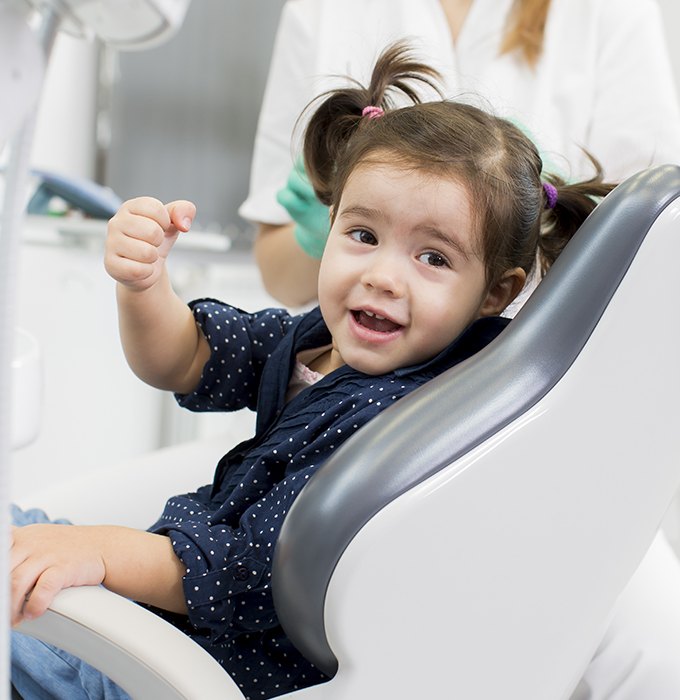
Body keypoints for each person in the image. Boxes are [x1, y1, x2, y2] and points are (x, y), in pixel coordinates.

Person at [10, 44, 618, 699]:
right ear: (330, 227)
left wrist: (97, 551)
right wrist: (144, 285)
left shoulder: (402, 426)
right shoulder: (316, 342)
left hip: (179, 670)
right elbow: (182, 357)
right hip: (158, 625)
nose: (383, 276)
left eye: (434, 258)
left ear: (496, 294)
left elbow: (253, 573)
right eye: (363, 235)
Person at [241, 0, 680, 308]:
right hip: (348, 381)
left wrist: (535, 226)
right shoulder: (320, 11)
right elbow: (277, 279)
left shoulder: (610, 12)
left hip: (524, 380)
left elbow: (655, 244)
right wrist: (335, 233)